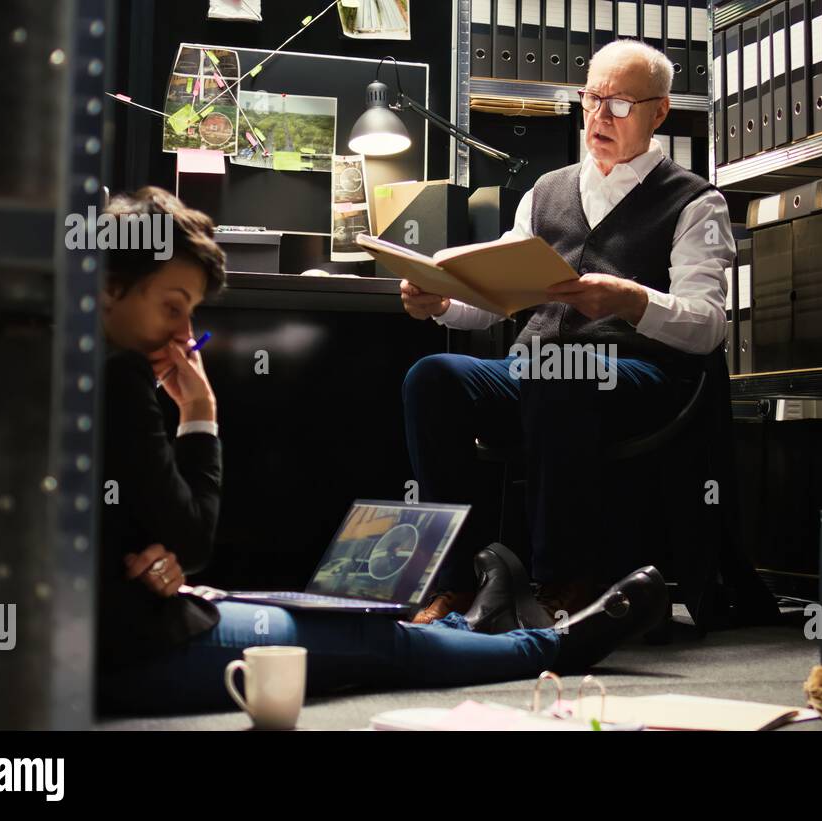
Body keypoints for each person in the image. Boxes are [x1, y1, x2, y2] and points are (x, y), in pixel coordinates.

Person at [95, 187, 667, 715]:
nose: (185, 335)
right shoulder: (119, 376)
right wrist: (200, 414)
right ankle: (553, 645)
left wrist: (136, 548)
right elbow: (189, 539)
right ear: (109, 290)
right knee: (374, 642)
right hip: (132, 645)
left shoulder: (72, 359)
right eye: (173, 308)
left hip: (137, 617)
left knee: (323, 613)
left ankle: (472, 622)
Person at [400, 39, 736, 623]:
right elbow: (495, 300)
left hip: (639, 378)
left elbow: (707, 324)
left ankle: (563, 581)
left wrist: (633, 301)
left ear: (660, 112)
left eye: (620, 105)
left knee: (556, 373)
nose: (600, 117)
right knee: (433, 378)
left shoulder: (695, 202)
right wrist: (440, 302)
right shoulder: (545, 192)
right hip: (534, 373)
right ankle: (456, 580)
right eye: (591, 99)